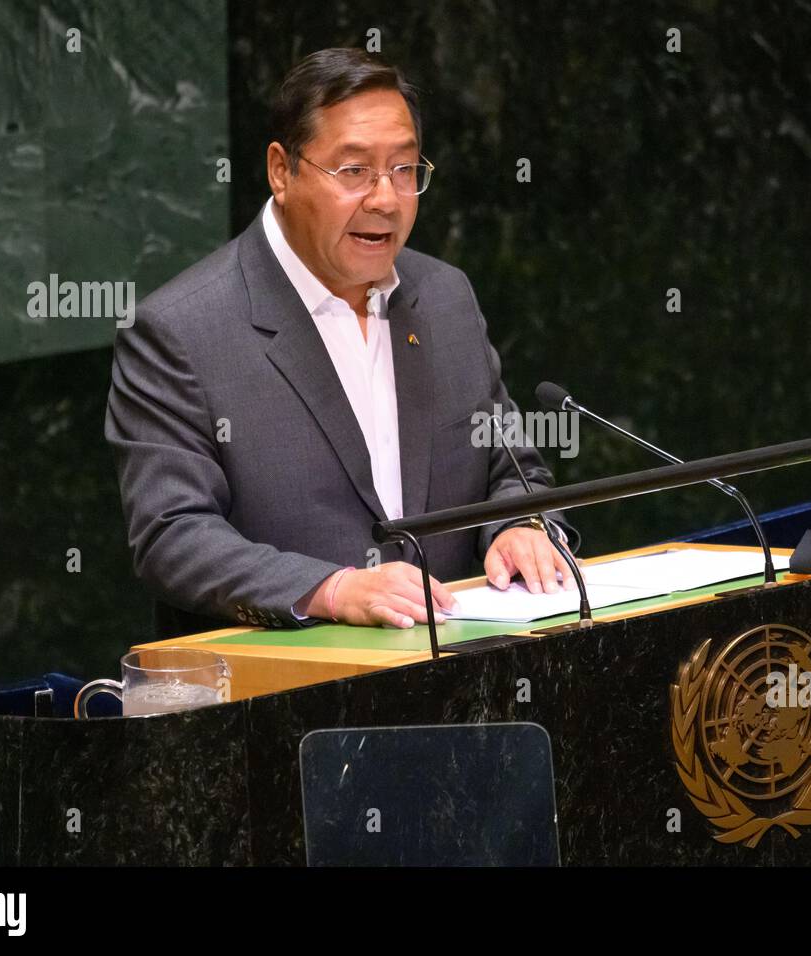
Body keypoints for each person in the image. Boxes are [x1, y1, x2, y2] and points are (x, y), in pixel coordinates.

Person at [106, 48, 577, 638]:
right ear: (282, 170)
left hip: (467, 685)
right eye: (353, 171)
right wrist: (331, 589)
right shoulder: (181, 331)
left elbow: (512, 470)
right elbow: (171, 535)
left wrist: (524, 529)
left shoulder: (445, 298)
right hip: (285, 701)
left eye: (405, 170)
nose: (385, 198)